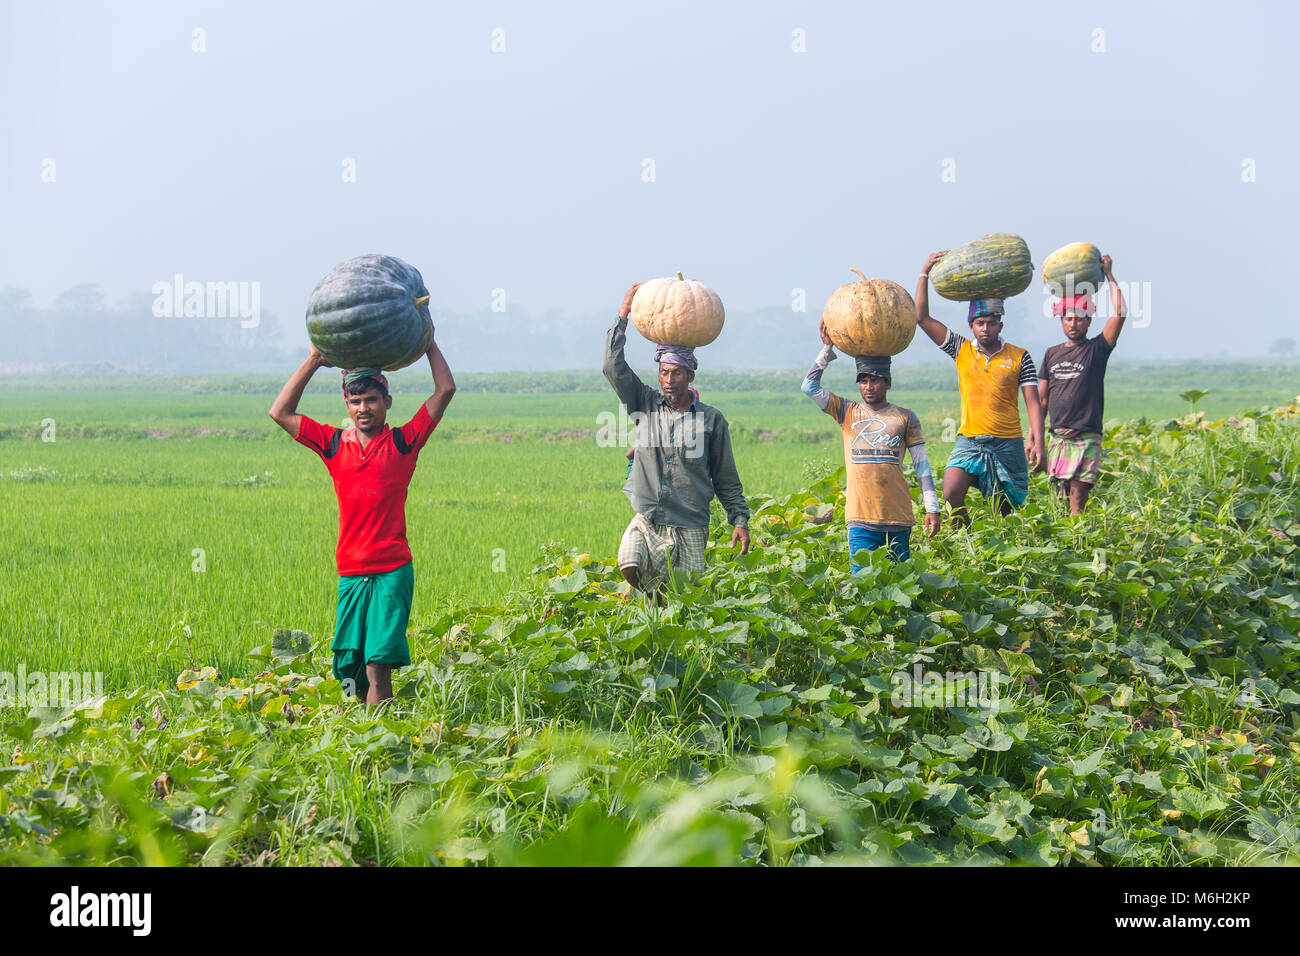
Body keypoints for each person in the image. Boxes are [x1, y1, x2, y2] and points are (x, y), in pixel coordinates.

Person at [268, 339, 455, 703]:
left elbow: (445, 389)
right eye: (355, 402)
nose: (363, 408)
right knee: (352, 667)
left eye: (370, 400)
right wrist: (312, 360)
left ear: (386, 402)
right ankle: (361, 737)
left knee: (377, 662)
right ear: (347, 405)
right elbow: (280, 412)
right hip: (352, 571)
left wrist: (427, 342)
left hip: (392, 569)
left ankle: (379, 744)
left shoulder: (405, 442)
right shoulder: (334, 444)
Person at [603, 283, 749, 598]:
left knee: (687, 599)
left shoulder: (712, 420)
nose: (669, 380)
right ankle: (653, 599)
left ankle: (669, 623)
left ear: (690, 376)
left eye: (677, 374)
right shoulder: (645, 403)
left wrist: (739, 519)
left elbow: (726, 478)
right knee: (628, 563)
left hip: (691, 522)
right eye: (665, 372)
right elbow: (612, 368)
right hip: (650, 514)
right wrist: (623, 314)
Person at [916, 251, 1046, 526]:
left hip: (1007, 442)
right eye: (980, 323)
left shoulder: (1020, 356)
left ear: (1000, 323)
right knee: (951, 491)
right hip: (970, 440)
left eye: (991, 322)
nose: (986, 328)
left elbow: (1033, 402)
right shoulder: (961, 349)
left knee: (1005, 508)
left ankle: (999, 548)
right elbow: (922, 317)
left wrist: (1038, 440)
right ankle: (964, 538)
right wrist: (925, 272)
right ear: (971, 326)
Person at [802, 321, 942, 570]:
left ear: (888, 383)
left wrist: (932, 507)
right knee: (863, 585)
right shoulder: (847, 411)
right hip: (859, 520)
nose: (869, 386)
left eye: (875, 380)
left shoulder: (906, 417)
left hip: (898, 518)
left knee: (900, 583)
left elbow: (922, 467)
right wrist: (826, 349)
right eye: (863, 380)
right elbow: (809, 387)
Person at [1039, 254, 1127, 514]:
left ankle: (1080, 541)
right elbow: (1042, 399)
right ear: (1061, 321)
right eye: (1068, 318)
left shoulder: (1097, 349)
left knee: (1078, 498)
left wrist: (1109, 275)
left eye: (1079, 318)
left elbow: (1120, 313)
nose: (1074, 323)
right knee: (1061, 497)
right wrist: (1035, 437)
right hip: (1058, 436)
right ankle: (1068, 542)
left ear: (1089, 321)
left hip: (1086, 435)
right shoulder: (1051, 353)